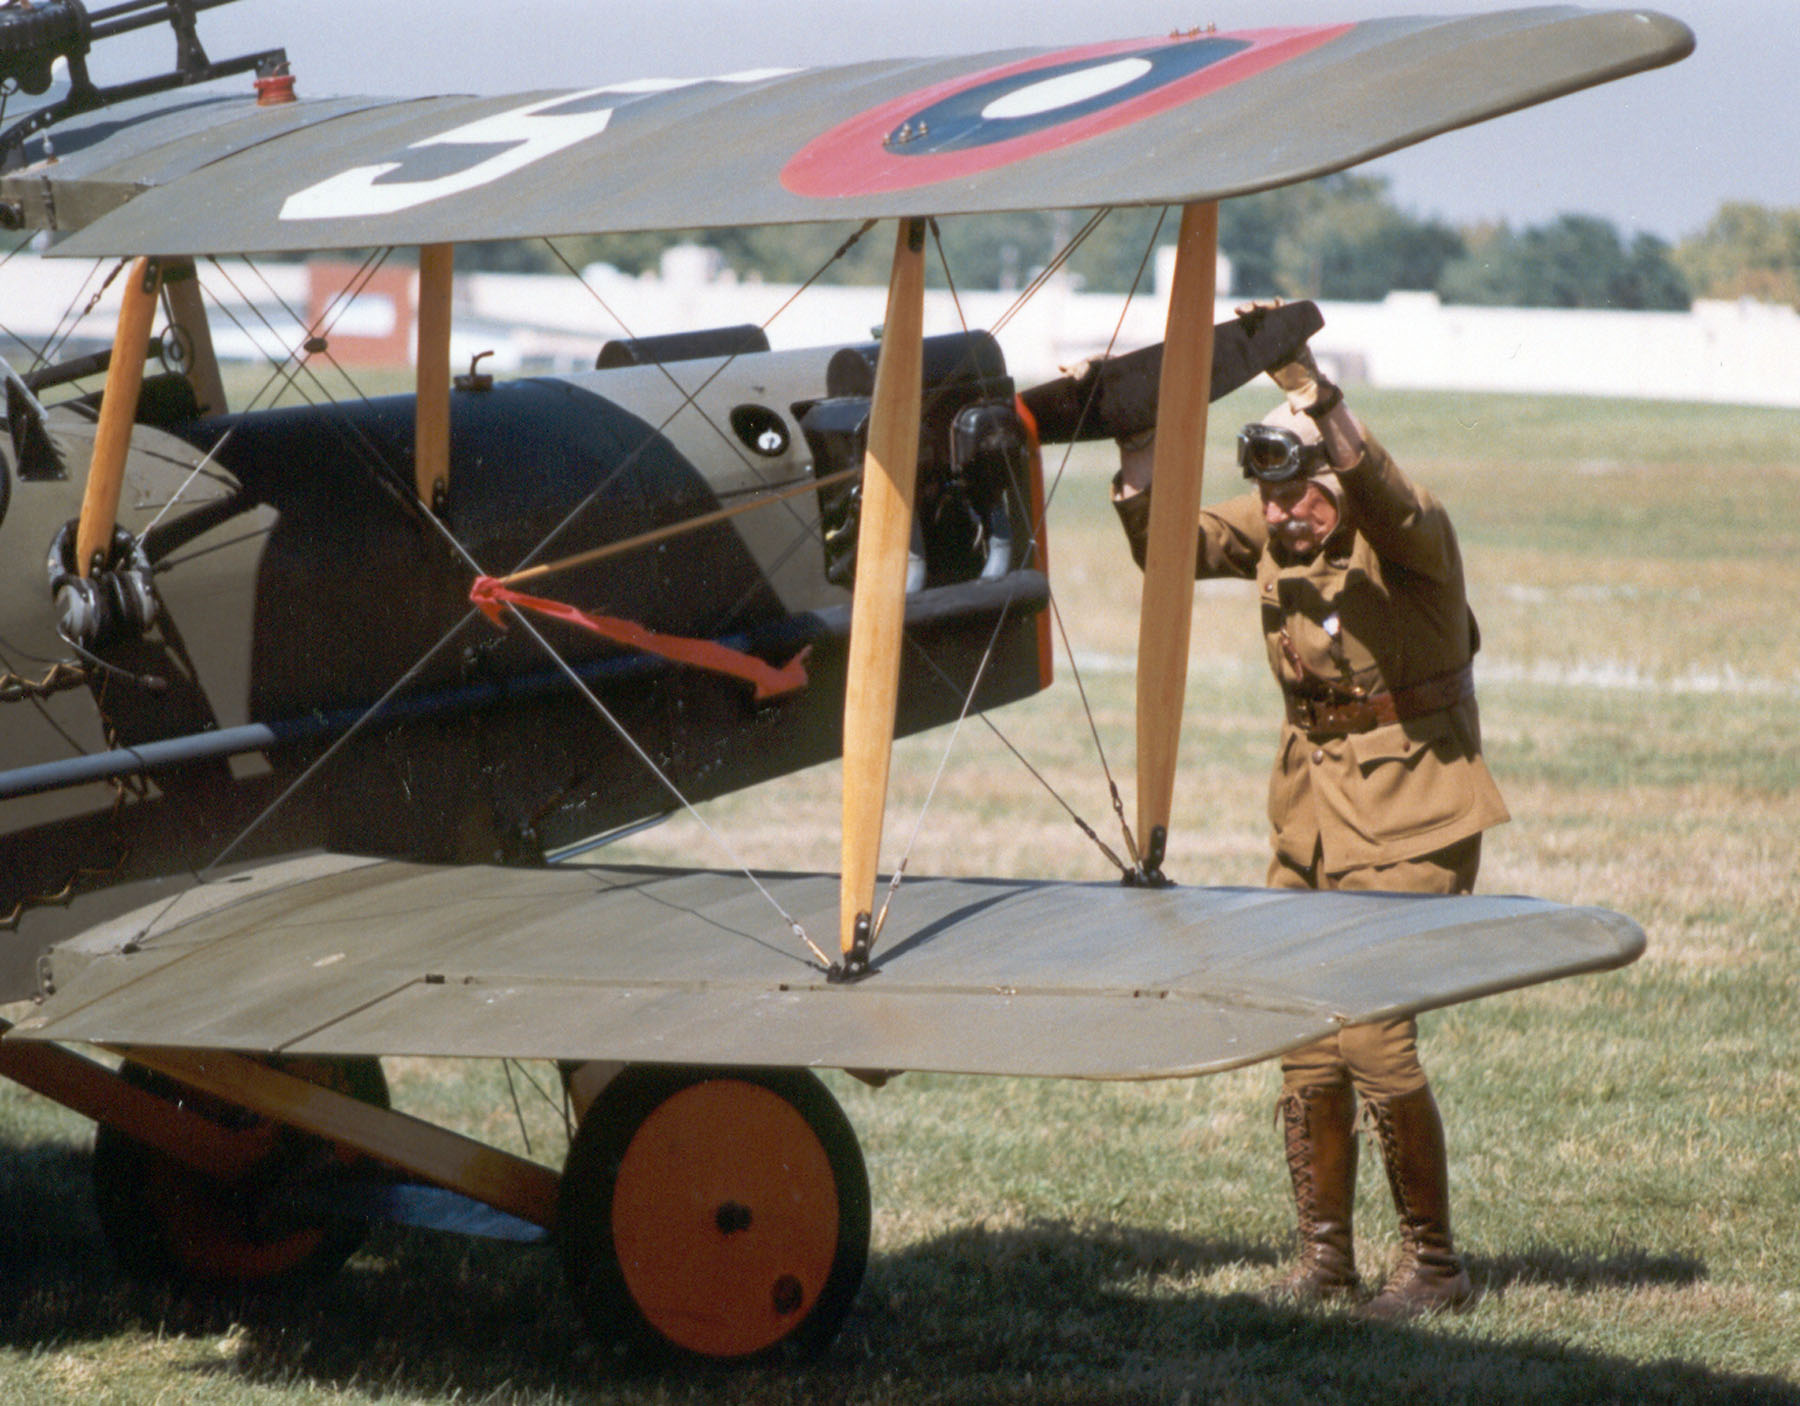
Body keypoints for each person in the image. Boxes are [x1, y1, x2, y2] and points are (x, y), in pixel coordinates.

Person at [1109, 317, 1508, 1320]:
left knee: (1372, 1028)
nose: (1287, 514)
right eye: (1274, 497)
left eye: (1305, 493)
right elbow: (1172, 546)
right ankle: (1326, 1262)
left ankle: (1435, 1267)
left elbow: (1380, 487)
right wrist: (1133, 442)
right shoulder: (1276, 526)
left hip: (1414, 805)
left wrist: (1320, 398)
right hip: (1313, 813)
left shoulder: (1411, 541)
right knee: (1303, 1032)